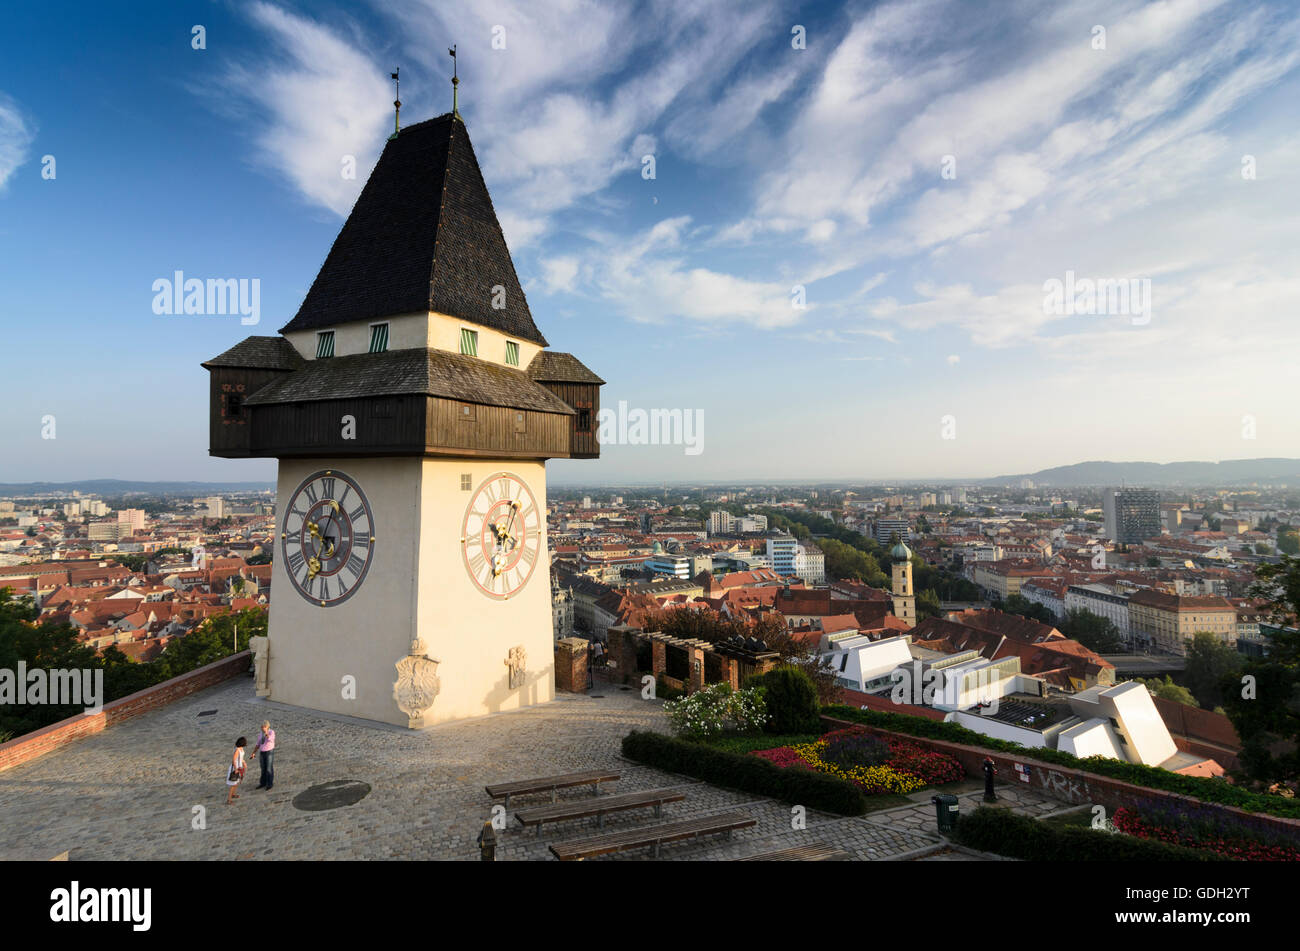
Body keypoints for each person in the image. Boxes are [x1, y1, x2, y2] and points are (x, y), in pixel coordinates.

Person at [252, 720, 276, 791]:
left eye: (264, 727)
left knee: (269, 768)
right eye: (262, 727)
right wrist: (253, 752)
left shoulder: (271, 732)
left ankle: (270, 783)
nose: (263, 728)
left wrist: (266, 734)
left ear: (268, 726)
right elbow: (258, 744)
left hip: (269, 752)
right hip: (262, 752)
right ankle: (263, 783)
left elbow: (271, 739)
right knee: (263, 768)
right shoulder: (260, 734)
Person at [226, 737, 247, 804]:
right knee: (233, 784)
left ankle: (233, 794)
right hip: (236, 768)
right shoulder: (237, 750)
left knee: (236, 782)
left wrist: (244, 763)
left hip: (239, 767)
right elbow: (234, 760)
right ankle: (229, 800)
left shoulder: (241, 749)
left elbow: (241, 758)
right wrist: (235, 769)